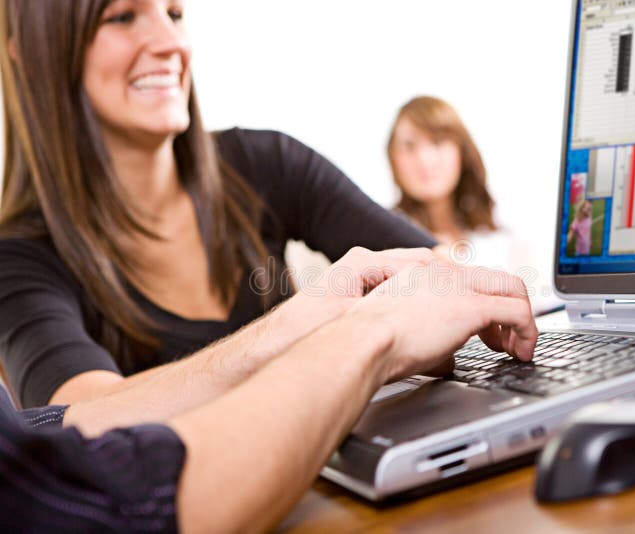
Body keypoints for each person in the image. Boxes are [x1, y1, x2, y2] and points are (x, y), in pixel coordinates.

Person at [0, 0, 437, 412]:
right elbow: (75, 415)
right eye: (122, 17)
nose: (172, 43)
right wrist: (302, 326)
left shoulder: (265, 163)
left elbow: (439, 270)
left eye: (174, 14)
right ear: (32, 49)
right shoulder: (20, 257)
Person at [1, 251, 539, 531]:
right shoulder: (22, 254)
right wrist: (374, 334)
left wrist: (288, 329)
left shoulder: (260, 158)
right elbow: (119, 502)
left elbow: (49, 433)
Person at [387, 95, 511, 269]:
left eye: (437, 142)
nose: (424, 160)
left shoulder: (502, 236)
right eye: (409, 146)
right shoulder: (384, 244)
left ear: (462, 151)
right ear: (392, 158)